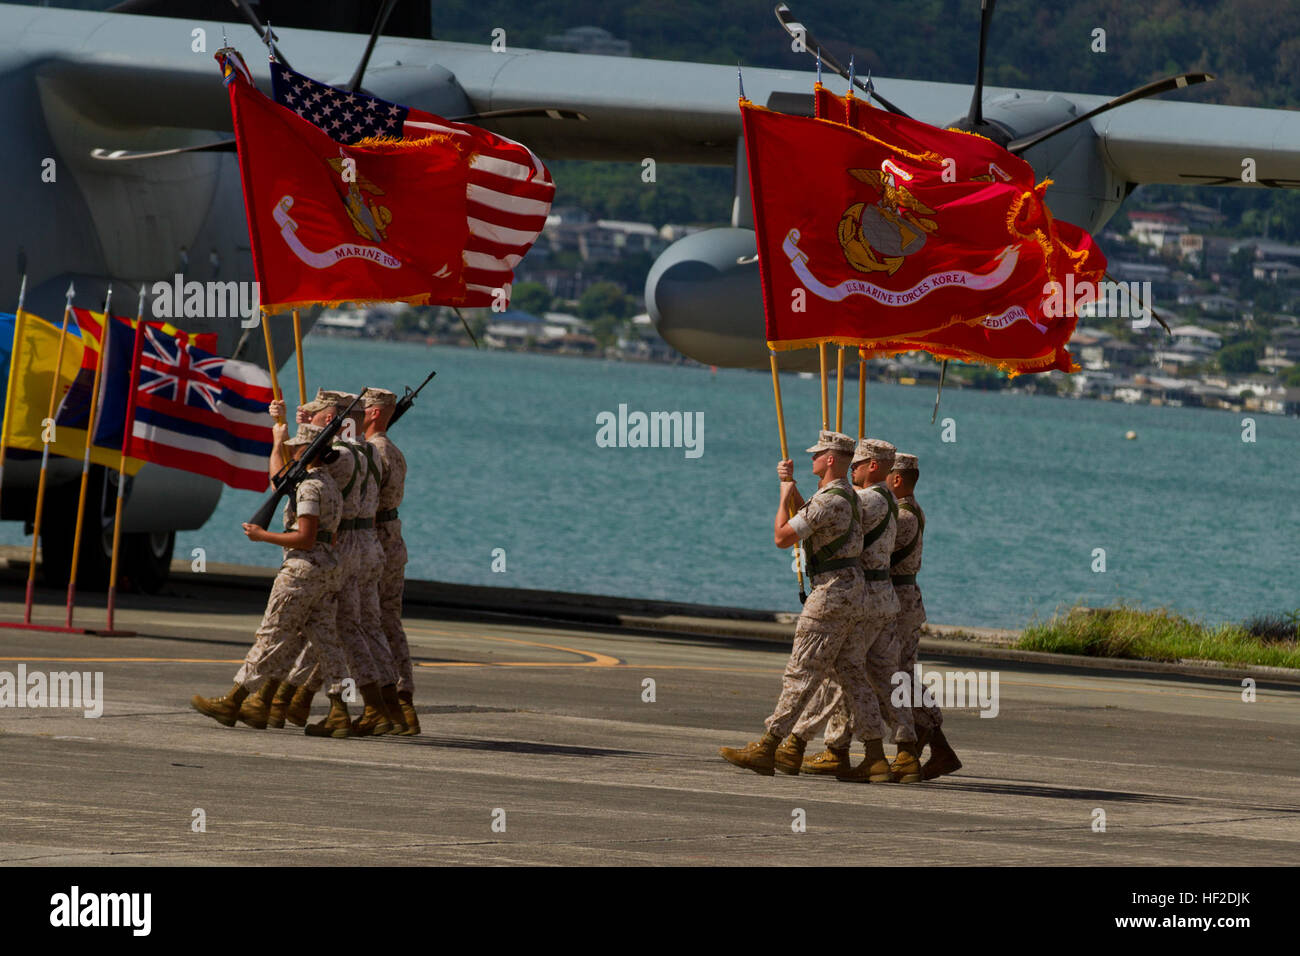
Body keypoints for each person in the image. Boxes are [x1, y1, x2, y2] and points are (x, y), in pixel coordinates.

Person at [719, 430, 888, 776]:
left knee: (801, 670)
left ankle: (768, 746)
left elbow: (783, 536)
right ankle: (875, 755)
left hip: (831, 592)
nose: (811, 458)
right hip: (850, 590)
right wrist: (791, 485)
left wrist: (782, 498)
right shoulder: (846, 496)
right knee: (851, 674)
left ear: (829, 459)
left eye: (816, 454)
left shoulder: (832, 499)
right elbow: (811, 515)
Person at [190, 423, 353, 738]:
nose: (292, 453)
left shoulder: (309, 488)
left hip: (302, 571)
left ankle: (233, 700)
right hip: (326, 571)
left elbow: (305, 537)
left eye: (295, 448)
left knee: (271, 635)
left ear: (306, 451)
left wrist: (262, 536)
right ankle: (340, 711)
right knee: (328, 644)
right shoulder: (330, 484)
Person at [785, 438, 920, 783]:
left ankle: (799, 742)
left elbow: (820, 520)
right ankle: (901, 750)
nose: (853, 470)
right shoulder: (888, 500)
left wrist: (793, 489)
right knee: (878, 676)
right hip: (884, 598)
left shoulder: (865, 499)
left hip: (863, 598)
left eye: (857, 465)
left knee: (839, 673)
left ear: (873, 465)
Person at [888, 453, 961, 779]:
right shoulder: (910, 510)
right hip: (905, 599)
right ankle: (933, 747)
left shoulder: (904, 516)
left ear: (897, 479)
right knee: (899, 675)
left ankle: (929, 736)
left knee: (898, 676)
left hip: (900, 601)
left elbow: (880, 557)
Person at [362, 386, 419, 733]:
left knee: (362, 621)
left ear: (373, 413)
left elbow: (362, 500)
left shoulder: (372, 452)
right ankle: (404, 700)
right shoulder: (394, 452)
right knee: (390, 621)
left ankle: (379, 705)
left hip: (373, 538)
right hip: (393, 539)